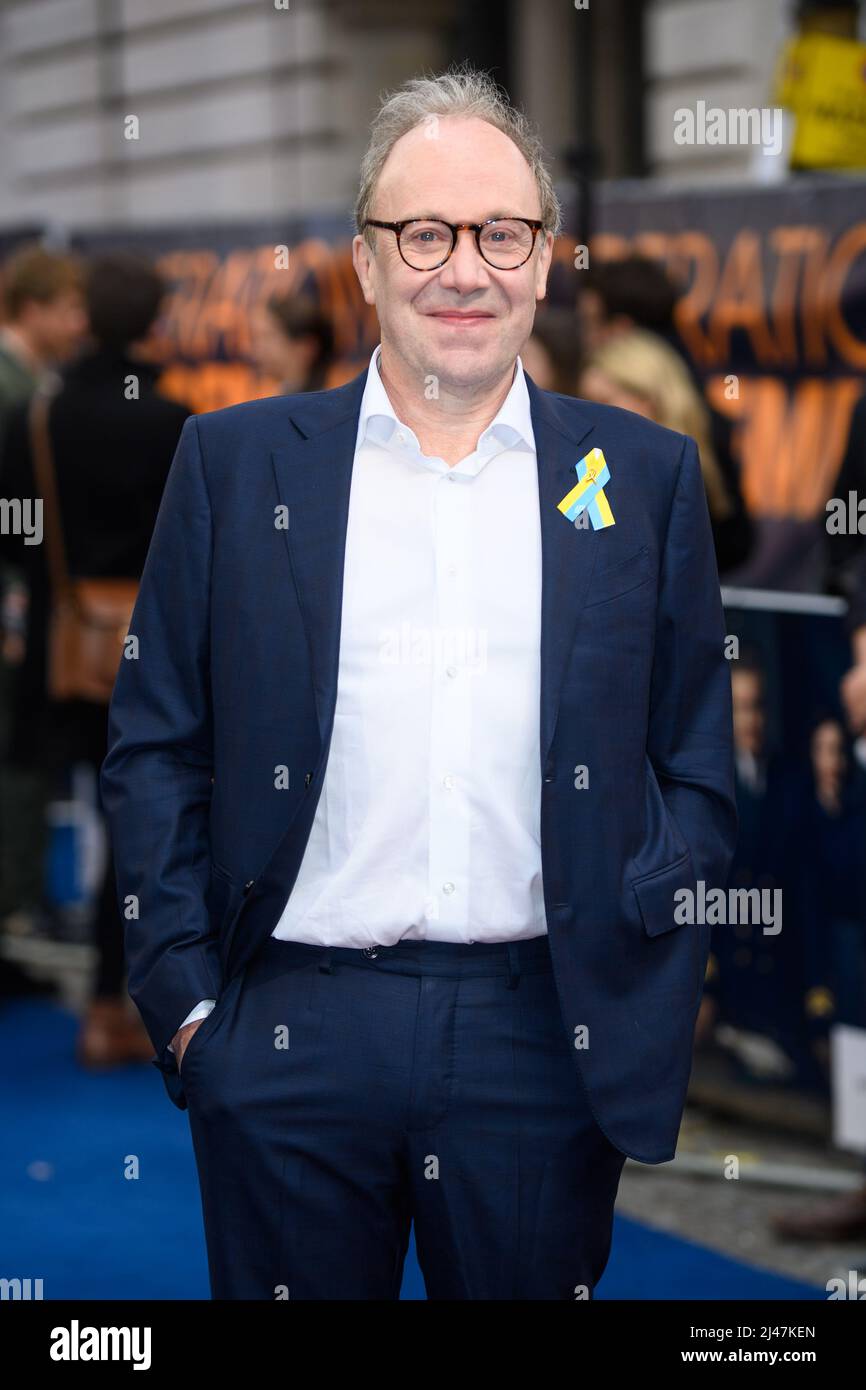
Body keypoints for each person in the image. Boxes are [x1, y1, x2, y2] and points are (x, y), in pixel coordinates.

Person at [101, 67, 737, 1300]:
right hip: (286, 1027)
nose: (465, 268)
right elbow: (155, 743)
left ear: (544, 259)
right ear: (365, 262)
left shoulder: (639, 478)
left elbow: (695, 759)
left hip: (542, 1039)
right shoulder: (234, 466)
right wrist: (186, 1005)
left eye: (501, 233)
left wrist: (647, 963)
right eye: (425, 233)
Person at [0, 251, 189, 1064]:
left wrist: (52, 584)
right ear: (152, 323)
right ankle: (117, 1006)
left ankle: (75, 985)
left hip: (56, 644)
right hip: (144, 648)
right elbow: (186, 548)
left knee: (54, 802)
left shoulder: (39, 416)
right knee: (135, 833)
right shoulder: (173, 420)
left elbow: (12, 521)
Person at [0, 244, 87, 990]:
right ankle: (14, 917)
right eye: (66, 307)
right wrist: (22, 573)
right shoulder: (13, 388)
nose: (78, 321)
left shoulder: (30, 381)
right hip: (13, 596)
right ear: (33, 309)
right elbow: (13, 508)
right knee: (14, 758)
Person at [579, 256, 752, 575]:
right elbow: (576, 537)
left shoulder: (684, 466)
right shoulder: (590, 463)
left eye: (603, 400)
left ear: (649, 400)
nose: (590, 414)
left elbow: (728, 546)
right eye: (587, 400)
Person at [249, 293, 335, 393]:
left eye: (268, 337)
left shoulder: (319, 405)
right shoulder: (284, 394)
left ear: (305, 348)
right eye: (257, 338)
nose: (257, 348)